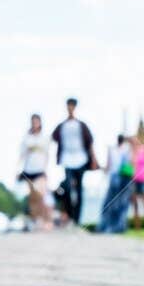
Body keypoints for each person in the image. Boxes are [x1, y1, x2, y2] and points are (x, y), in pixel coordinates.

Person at [51, 97, 95, 226]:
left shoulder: (81, 125)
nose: (70, 108)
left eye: (72, 106)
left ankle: (77, 219)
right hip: (67, 160)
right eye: (68, 106)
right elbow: (53, 137)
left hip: (81, 160)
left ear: (74, 107)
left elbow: (90, 142)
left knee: (80, 190)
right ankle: (70, 215)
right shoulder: (62, 126)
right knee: (68, 188)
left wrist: (93, 159)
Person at [18, 114, 53, 230]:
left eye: (36, 121)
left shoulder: (45, 137)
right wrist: (18, 169)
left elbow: (48, 155)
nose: (35, 124)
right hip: (28, 170)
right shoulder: (26, 138)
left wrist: (46, 169)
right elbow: (22, 155)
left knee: (40, 193)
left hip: (40, 170)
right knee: (32, 198)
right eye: (33, 122)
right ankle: (36, 220)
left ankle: (46, 220)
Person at [100, 134, 133, 233]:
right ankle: (116, 226)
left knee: (115, 203)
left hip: (119, 177)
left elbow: (108, 165)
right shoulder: (126, 149)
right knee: (119, 203)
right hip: (120, 178)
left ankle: (113, 226)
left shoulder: (119, 149)